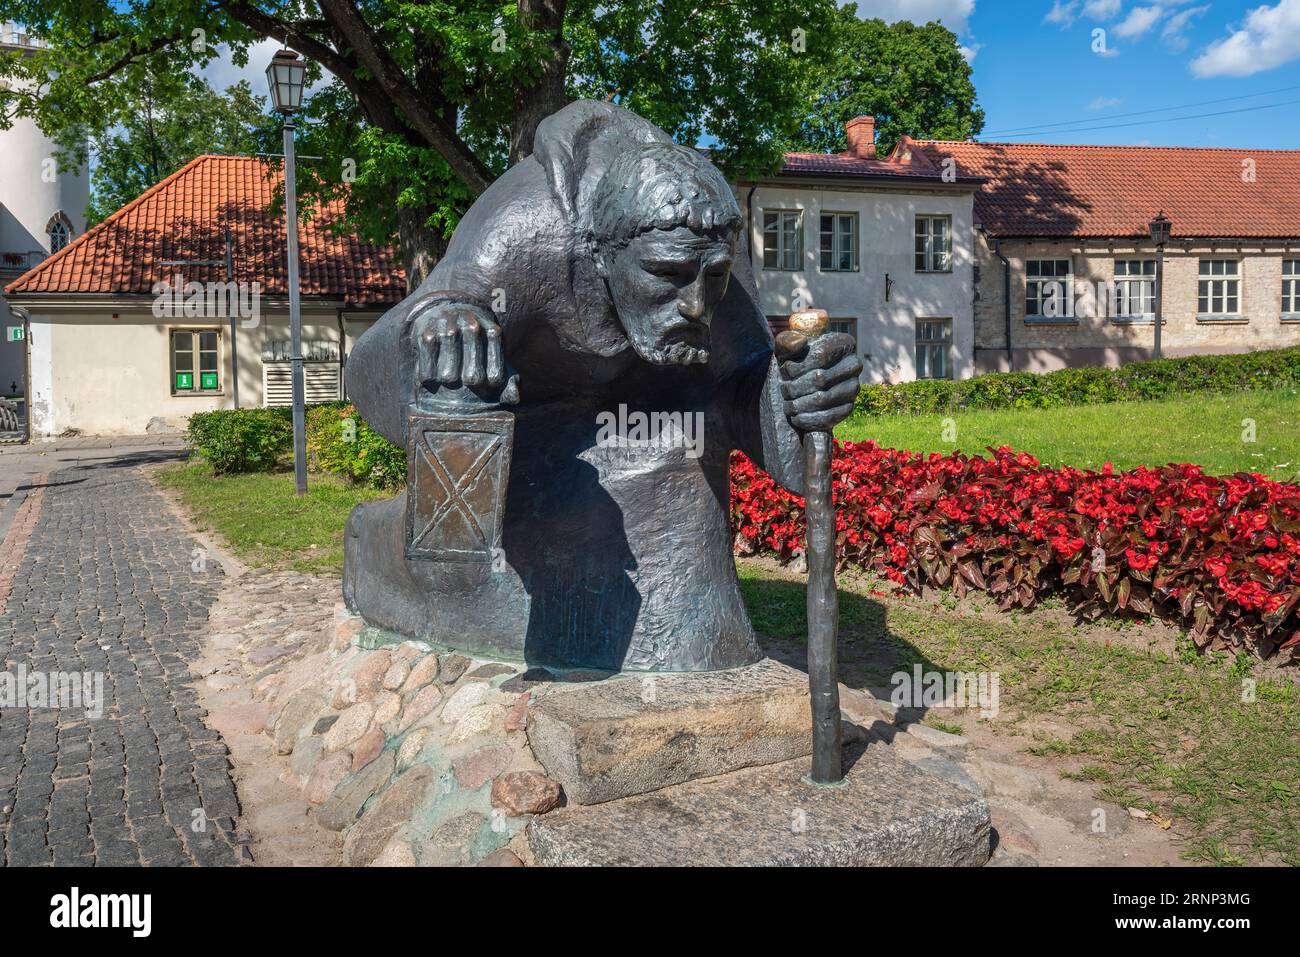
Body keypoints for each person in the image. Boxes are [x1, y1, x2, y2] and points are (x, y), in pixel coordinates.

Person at [344, 100, 860, 672]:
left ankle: (677, 647)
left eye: (711, 278)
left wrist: (798, 392)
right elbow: (379, 366)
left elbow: (740, 390)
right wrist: (439, 329)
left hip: (645, 441)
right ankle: (374, 544)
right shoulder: (522, 229)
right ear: (598, 252)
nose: (695, 304)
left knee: (688, 442)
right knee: (466, 554)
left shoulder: (707, 241)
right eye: (664, 275)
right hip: (521, 442)